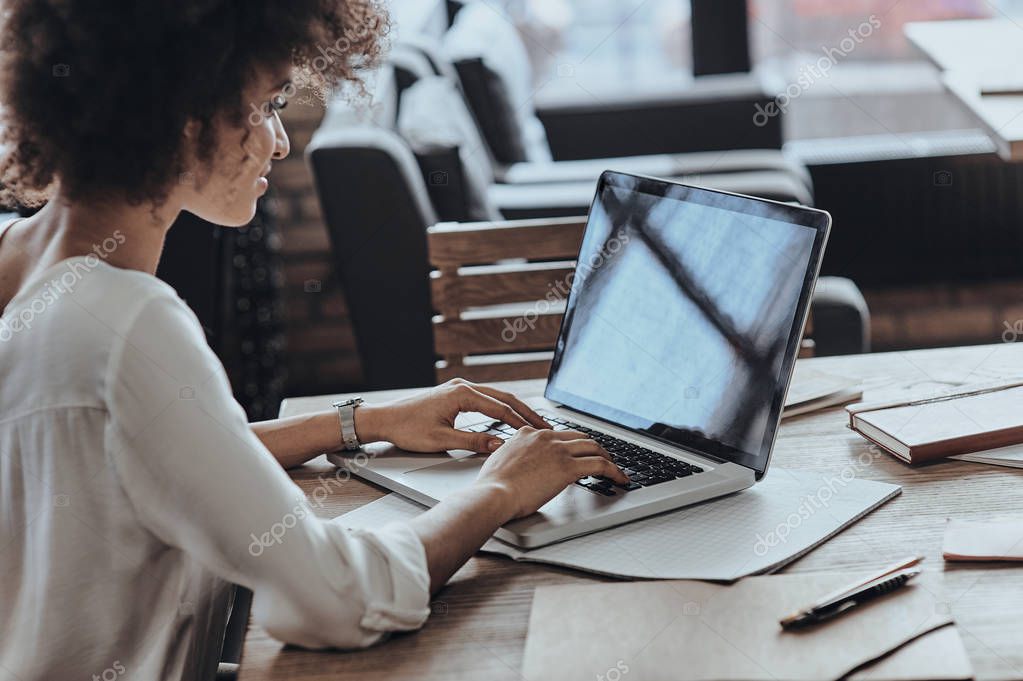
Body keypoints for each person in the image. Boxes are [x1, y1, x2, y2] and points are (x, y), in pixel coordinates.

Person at [0, 1, 627, 679]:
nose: (281, 139)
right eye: (266, 104)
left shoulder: (20, 260)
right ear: (185, 112)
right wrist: (501, 489)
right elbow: (337, 600)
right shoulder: (126, 321)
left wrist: (360, 420)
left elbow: (148, 451)